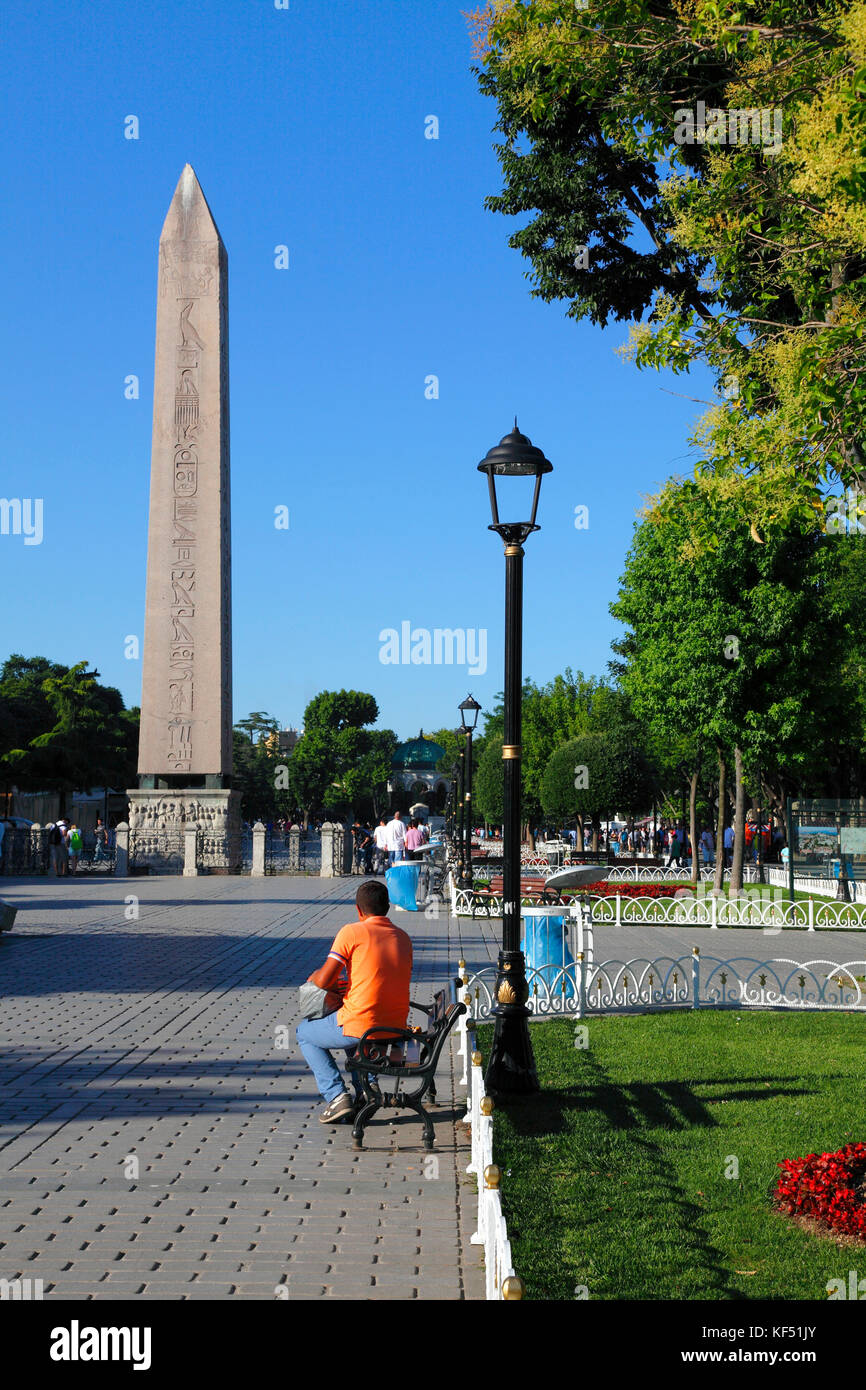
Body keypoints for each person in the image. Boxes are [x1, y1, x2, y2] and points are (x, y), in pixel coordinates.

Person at [296, 880, 413, 1124]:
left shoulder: (352, 932)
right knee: (352, 1016)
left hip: (364, 1024)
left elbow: (324, 979)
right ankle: (368, 1087)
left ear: (358, 910)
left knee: (305, 1033)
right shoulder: (403, 937)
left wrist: (314, 976)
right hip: (395, 1025)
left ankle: (336, 1095)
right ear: (388, 907)